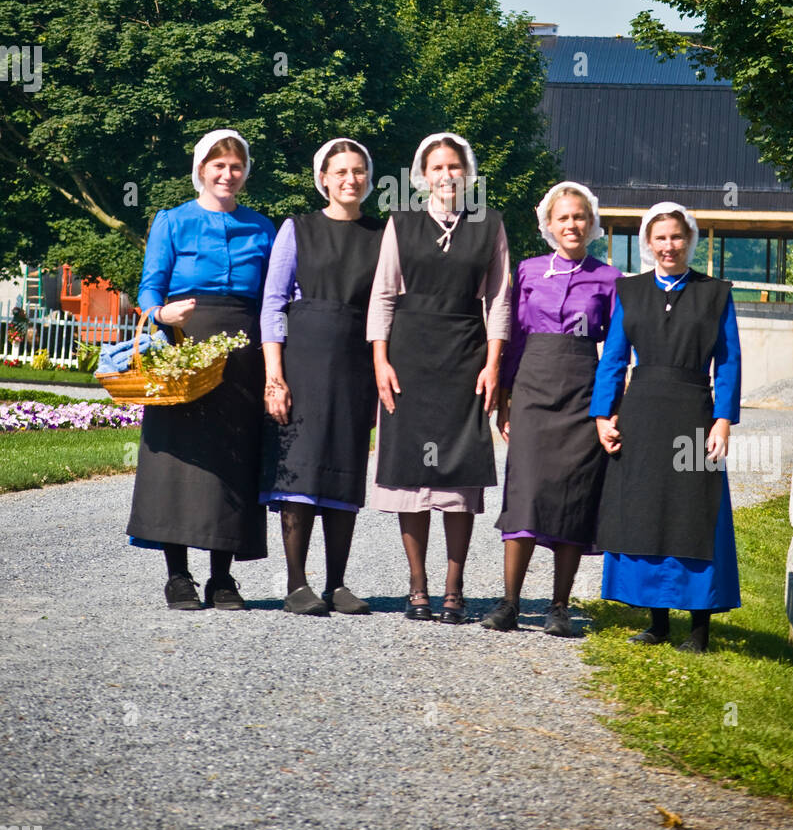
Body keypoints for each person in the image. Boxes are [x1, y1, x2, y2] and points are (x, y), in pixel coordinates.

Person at [127, 129, 276, 610]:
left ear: (245, 173)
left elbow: (274, 296)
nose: (227, 174)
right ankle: (178, 576)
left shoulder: (262, 228)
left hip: (243, 354)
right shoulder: (172, 222)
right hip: (185, 348)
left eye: (236, 166)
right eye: (219, 166)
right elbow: (149, 288)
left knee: (232, 460)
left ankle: (222, 578)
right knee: (180, 461)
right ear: (201, 170)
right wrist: (161, 314)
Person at [368, 133, 510, 624]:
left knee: (459, 476)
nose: (447, 175)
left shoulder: (488, 223)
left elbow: (500, 299)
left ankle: (454, 588)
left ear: (467, 174)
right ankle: (417, 587)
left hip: (466, 357)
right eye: (438, 167)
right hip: (408, 356)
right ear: (422, 176)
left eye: (455, 166)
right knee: (412, 474)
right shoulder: (401, 222)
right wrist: (380, 360)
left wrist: (494, 363)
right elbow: (384, 294)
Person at [590, 201, 742, 653]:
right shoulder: (630, 291)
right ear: (648, 243)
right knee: (647, 513)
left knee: (695, 514)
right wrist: (603, 415)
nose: (669, 245)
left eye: (677, 236)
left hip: (694, 412)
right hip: (640, 416)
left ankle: (699, 631)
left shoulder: (715, 292)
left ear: (689, 240)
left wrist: (723, 420)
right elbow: (614, 358)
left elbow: (729, 360)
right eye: (660, 238)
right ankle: (657, 623)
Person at [482, 183, 621, 637]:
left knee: (573, 497)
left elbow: (618, 349)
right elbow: (514, 340)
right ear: (548, 225)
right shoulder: (525, 272)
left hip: (583, 389)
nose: (572, 225)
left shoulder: (610, 279)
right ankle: (509, 603)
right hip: (532, 389)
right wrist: (504, 396)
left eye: (579, 217)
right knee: (523, 491)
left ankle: (559, 607)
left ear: (592, 223)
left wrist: (609, 407)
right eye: (563, 218)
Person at [259, 138, 384, 616]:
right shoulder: (299, 229)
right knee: (301, 470)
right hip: (303, 360)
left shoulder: (382, 233)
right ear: (324, 179)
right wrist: (275, 376)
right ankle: (296, 584)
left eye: (359, 171)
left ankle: (337, 584)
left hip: (355, 362)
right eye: (341, 172)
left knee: (343, 468)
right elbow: (272, 303)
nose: (351, 179)